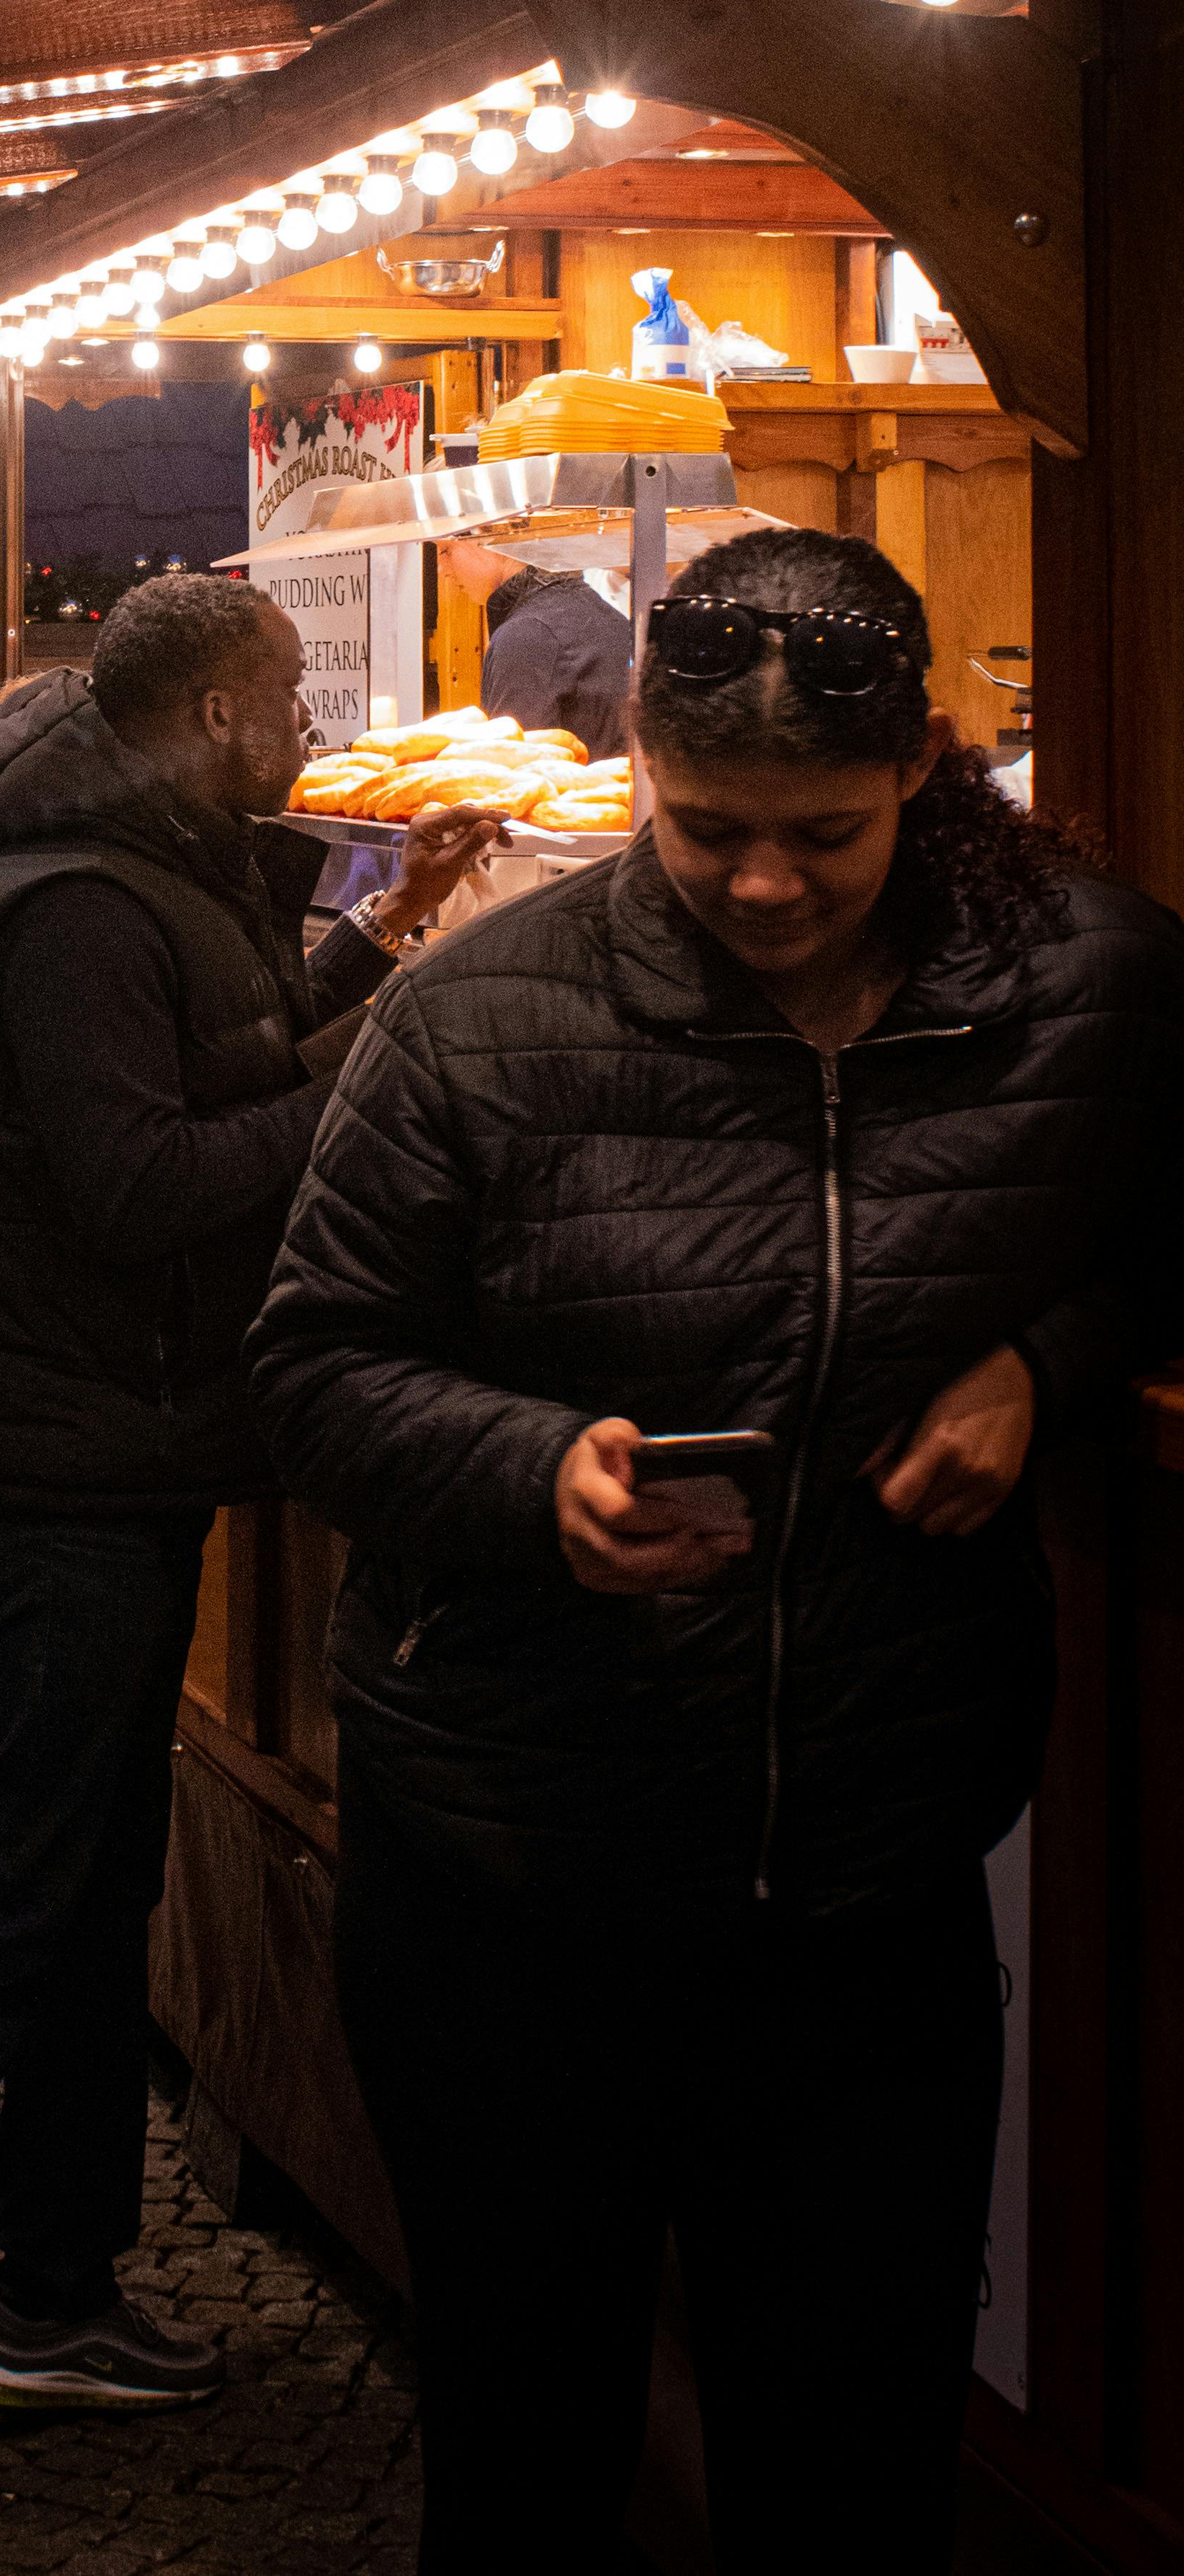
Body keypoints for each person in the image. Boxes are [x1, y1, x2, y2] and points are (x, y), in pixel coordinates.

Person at [246, 525, 1184, 2576]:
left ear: (929, 772)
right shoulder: (479, 1017)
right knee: (526, 2449)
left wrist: (1048, 1356)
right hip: (508, 1868)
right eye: (704, 830)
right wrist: (528, 1470)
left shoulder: (1087, 985)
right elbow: (309, 1369)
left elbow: (1164, 1248)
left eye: (823, 837)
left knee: (850, 2474)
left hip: (871, 1884)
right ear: (642, 773)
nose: (762, 882)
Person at [0, 576, 502, 2515]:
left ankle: (57, 2292)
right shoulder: (78, 901)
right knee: (13, 1891)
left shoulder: (138, 870)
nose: (304, 718)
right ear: (199, 712)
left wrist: (379, 942)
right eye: (280, 692)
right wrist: (391, 1048)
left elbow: (220, 1077)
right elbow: (143, 1183)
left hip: (127, 1436)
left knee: (93, 1882)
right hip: (53, 1458)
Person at [434, 527, 631, 758]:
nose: (442, 570)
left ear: (488, 541)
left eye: (445, 551)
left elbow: (513, 772)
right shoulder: (598, 611)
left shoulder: (527, 635)